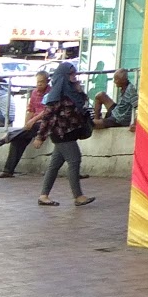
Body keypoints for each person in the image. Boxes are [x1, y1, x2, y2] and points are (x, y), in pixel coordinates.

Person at [37, 62, 95, 208]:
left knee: (54, 165)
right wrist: (40, 137)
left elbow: (82, 103)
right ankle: (78, 196)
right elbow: (47, 118)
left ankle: (44, 196)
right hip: (61, 134)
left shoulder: (71, 91)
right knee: (75, 160)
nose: (74, 77)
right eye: (71, 74)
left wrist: (79, 89)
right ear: (63, 75)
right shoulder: (56, 95)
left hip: (70, 133)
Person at [0, 69, 51, 177]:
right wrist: (26, 125)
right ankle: (8, 171)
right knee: (18, 139)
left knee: (32, 127)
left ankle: (7, 137)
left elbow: (47, 111)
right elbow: (31, 110)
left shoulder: (51, 93)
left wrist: (33, 121)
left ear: (47, 81)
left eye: (42, 82)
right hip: (34, 123)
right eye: (37, 82)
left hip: (45, 123)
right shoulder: (34, 93)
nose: (39, 84)